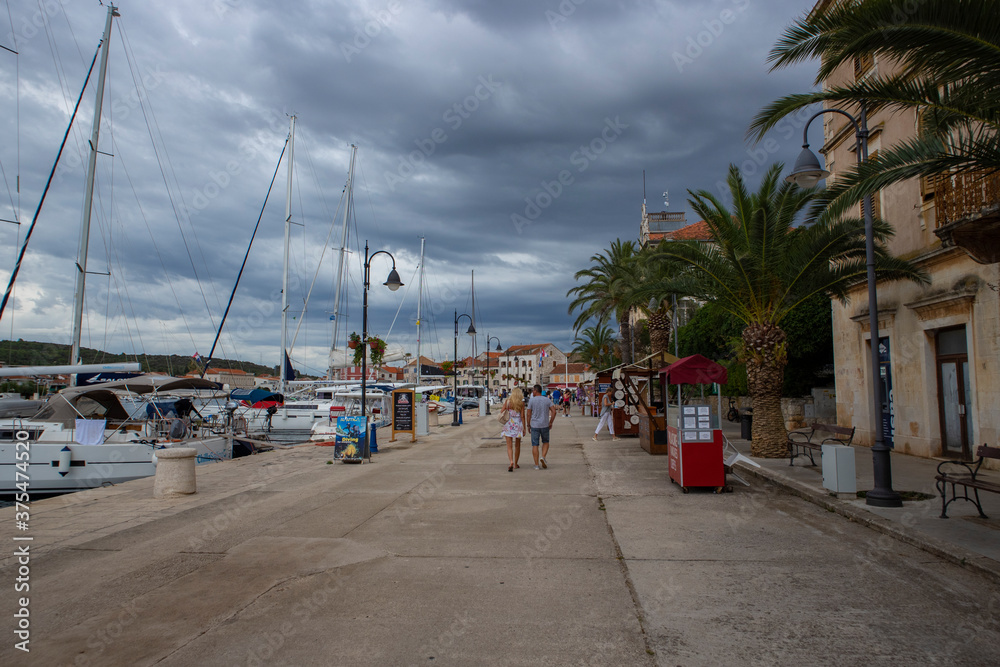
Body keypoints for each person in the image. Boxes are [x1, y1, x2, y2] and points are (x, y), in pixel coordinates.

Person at [525, 384, 557, 469]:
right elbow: (554, 412)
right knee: (545, 442)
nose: (532, 392)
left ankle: (536, 465)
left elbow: (528, 414)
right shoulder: (547, 400)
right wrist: (551, 422)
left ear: (535, 391)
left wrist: (528, 425)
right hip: (545, 424)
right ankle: (543, 456)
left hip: (535, 425)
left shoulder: (531, 401)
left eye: (533, 390)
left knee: (535, 444)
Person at [501, 387, 526, 472]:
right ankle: (515, 464)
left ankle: (511, 461)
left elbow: (502, 411)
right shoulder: (521, 403)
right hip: (518, 424)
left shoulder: (508, 402)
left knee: (509, 445)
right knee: (517, 445)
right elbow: (522, 416)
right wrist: (524, 428)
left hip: (509, 424)